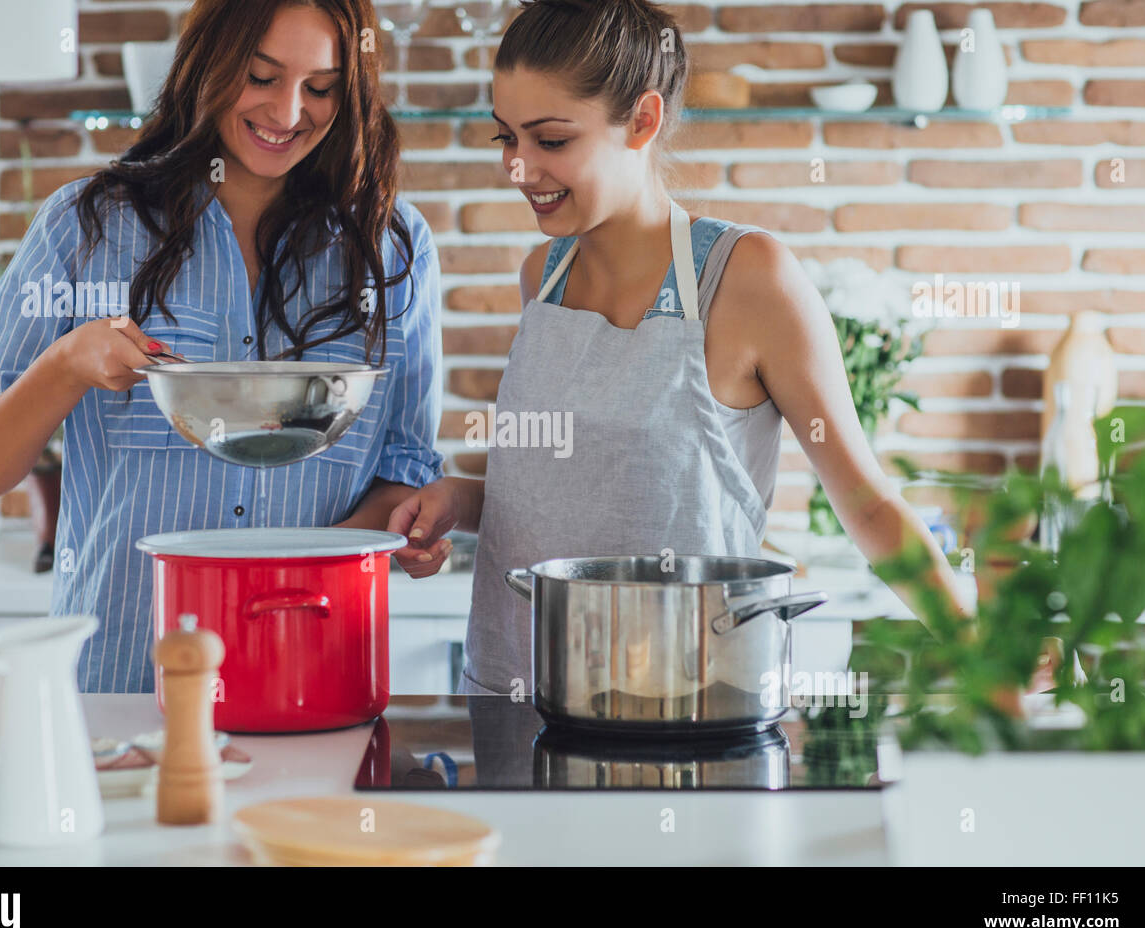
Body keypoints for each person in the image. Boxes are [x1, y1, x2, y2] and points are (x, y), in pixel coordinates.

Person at [386, 0, 973, 695]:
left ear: (643, 119)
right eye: (505, 139)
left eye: (549, 140)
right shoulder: (542, 277)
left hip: (688, 704)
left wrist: (977, 643)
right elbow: (572, 488)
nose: (519, 168)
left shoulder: (747, 277)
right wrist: (462, 498)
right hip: (521, 687)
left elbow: (868, 505)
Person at [0, 0, 452, 692]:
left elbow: (403, 470)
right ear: (209, 64)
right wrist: (68, 364)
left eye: (320, 87)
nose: (288, 113)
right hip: (122, 678)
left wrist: (291, 574)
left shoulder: (392, 247)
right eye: (261, 77)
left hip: (310, 669)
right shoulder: (85, 228)